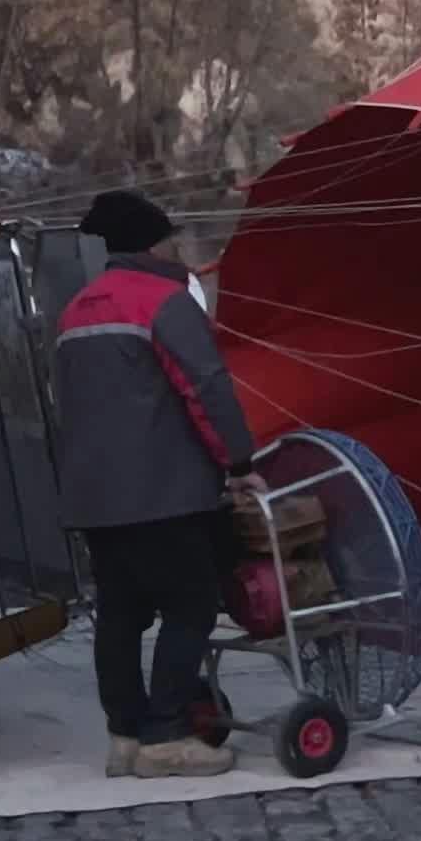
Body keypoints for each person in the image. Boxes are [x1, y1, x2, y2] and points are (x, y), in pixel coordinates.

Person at [53, 190, 260, 779]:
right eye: (170, 236)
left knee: (120, 611)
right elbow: (205, 388)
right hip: (160, 491)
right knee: (191, 602)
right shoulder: (164, 302)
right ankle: (167, 735)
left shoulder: (76, 311)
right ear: (153, 241)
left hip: (93, 496)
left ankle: (125, 734)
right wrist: (239, 462)